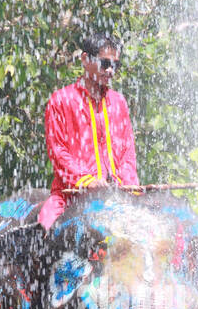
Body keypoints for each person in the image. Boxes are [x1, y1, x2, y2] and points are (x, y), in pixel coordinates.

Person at [39, 30, 139, 230]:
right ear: (85, 59)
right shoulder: (61, 100)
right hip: (70, 195)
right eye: (105, 63)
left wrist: (128, 186)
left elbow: (128, 154)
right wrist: (86, 181)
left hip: (118, 194)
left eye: (115, 65)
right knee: (45, 226)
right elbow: (58, 152)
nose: (110, 70)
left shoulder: (119, 102)